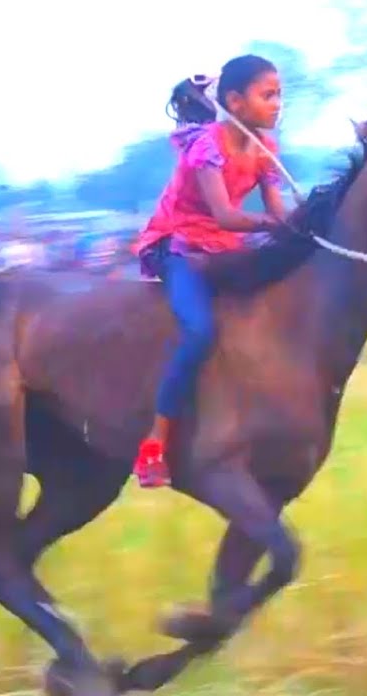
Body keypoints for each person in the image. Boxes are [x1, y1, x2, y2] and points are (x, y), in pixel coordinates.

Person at [127, 54, 289, 488]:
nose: (278, 104)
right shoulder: (206, 146)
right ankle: (154, 446)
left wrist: (304, 225)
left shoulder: (266, 150)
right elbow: (225, 214)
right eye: (268, 95)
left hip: (223, 248)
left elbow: (278, 211)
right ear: (234, 102)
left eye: (279, 95)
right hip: (175, 243)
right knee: (199, 331)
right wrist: (276, 225)